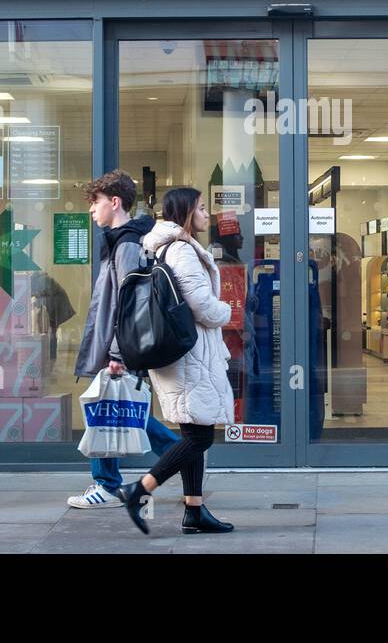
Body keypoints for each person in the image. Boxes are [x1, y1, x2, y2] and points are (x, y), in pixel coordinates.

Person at [116, 186, 236, 536]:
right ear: (185, 212)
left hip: (181, 355)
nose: (206, 214)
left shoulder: (165, 246)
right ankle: (139, 490)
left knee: (193, 431)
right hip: (190, 357)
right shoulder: (181, 249)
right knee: (200, 439)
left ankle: (194, 511)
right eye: (201, 208)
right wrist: (229, 309)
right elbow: (203, 306)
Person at [67, 170, 179, 509]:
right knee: (123, 409)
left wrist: (116, 351)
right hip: (116, 345)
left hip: (120, 347)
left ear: (114, 203)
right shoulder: (121, 239)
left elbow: (129, 304)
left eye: (96, 203)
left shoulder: (128, 244)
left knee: (107, 408)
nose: (92, 210)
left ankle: (106, 483)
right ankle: (183, 457)